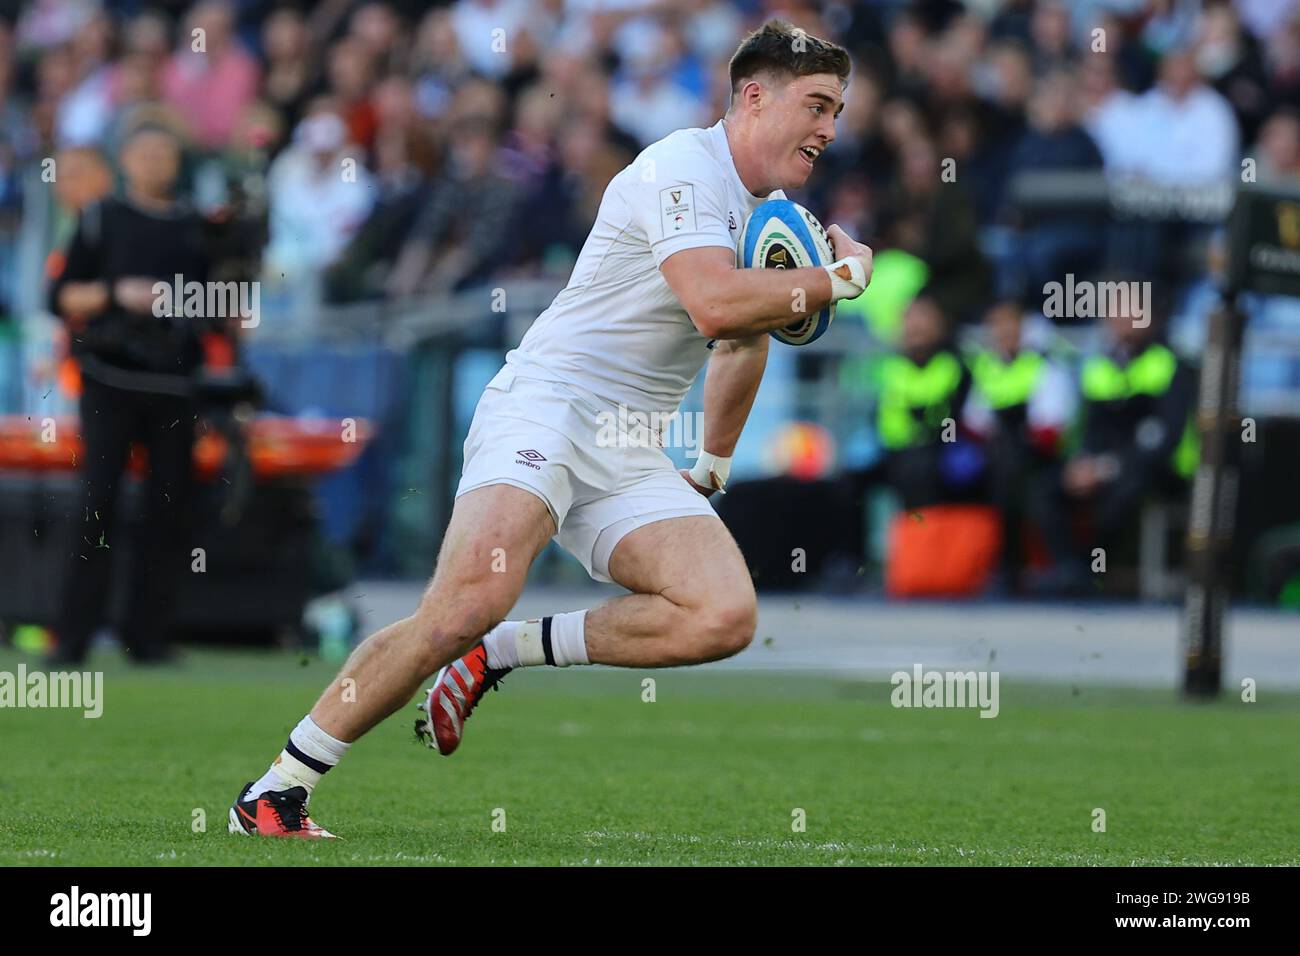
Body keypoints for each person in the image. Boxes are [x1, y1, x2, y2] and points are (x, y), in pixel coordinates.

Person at [229, 19, 873, 839]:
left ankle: (501, 653)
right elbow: (716, 301)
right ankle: (276, 789)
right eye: (818, 105)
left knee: (721, 615)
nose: (829, 128)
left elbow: (740, 342)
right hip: (549, 405)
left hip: (628, 441)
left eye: (838, 111)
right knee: (464, 601)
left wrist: (711, 463)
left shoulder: (772, 212)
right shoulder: (681, 167)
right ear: (753, 96)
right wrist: (837, 278)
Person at [46, 123, 211, 665]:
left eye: (165, 152)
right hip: (109, 378)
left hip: (174, 383)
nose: (154, 163)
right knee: (98, 502)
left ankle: (148, 636)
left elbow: (218, 303)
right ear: (126, 160)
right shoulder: (102, 218)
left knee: (168, 507)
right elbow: (62, 294)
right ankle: (71, 635)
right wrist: (118, 293)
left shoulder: (196, 225)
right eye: (144, 152)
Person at [1028, 283, 1198, 595]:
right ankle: (1070, 569)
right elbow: (1088, 430)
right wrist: (1080, 463)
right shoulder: (1096, 367)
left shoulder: (1172, 366)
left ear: (1154, 319)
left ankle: (1094, 572)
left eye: (1135, 312)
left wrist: (1108, 468)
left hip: (1161, 469)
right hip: (1103, 465)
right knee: (1045, 489)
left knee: (1124, 491)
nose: (1124, 320)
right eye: (1117, 312)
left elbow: (1163, 438)